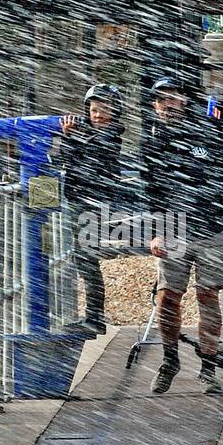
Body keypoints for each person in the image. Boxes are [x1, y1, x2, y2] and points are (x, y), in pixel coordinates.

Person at [142, 77, 223, 395]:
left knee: (208, 296)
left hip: (212, 227)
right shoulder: (150, 141)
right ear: (154, 105)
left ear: (186, 101)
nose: (168, 105)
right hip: (172, 229)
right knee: (168, 297)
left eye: (174, 98)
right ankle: (170, 359)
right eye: (162, 100)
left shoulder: (208, 130)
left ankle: (208, 366)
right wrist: (155, 234)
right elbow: (149, 193)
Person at [58, 84, 125, 335]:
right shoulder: (89, 133)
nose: (98, 115)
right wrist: (71, 138)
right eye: (94, 110)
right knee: (82, 258)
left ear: (115, 112)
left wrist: (69, 137)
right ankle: (91, 315)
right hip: (82, 200)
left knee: (87, 259)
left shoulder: (110, 135)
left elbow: (84, 160)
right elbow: (71, 161)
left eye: (104, 110)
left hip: (92, 204)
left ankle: (94, 317)